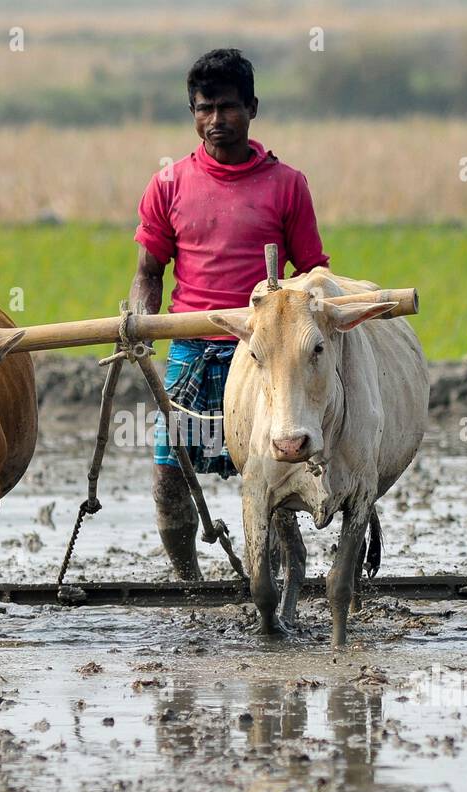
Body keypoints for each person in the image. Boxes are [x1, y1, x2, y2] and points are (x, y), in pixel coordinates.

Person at [129, 48, 330, 579]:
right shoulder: (168, 185)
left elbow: (312, 274)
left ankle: (287, 573)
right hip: (192, 347)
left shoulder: (287, 185)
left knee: (275, 467)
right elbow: (149, 274)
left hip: (265, 352)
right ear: (193, 113)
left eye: (229, 107)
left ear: (253, 108)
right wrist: (139, 325)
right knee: (170, 473)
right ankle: (188, 584)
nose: (216, 120)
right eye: (204, 108)